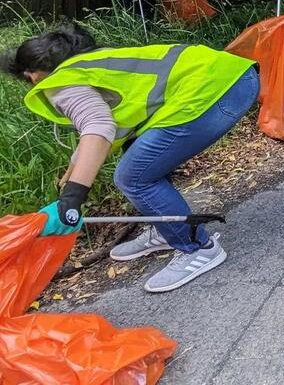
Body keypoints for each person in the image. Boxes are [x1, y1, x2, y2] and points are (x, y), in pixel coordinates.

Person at [1, 22, 259, 293]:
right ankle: (169, 229)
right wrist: (75, 166)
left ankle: (198, 248)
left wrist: (72, 198)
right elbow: (112, 124)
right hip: (232, 78)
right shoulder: (94, 63)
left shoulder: (60, 83)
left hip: (215, 92)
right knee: (137, 153)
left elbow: (98, 126)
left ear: (32, 76)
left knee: (133, 176)